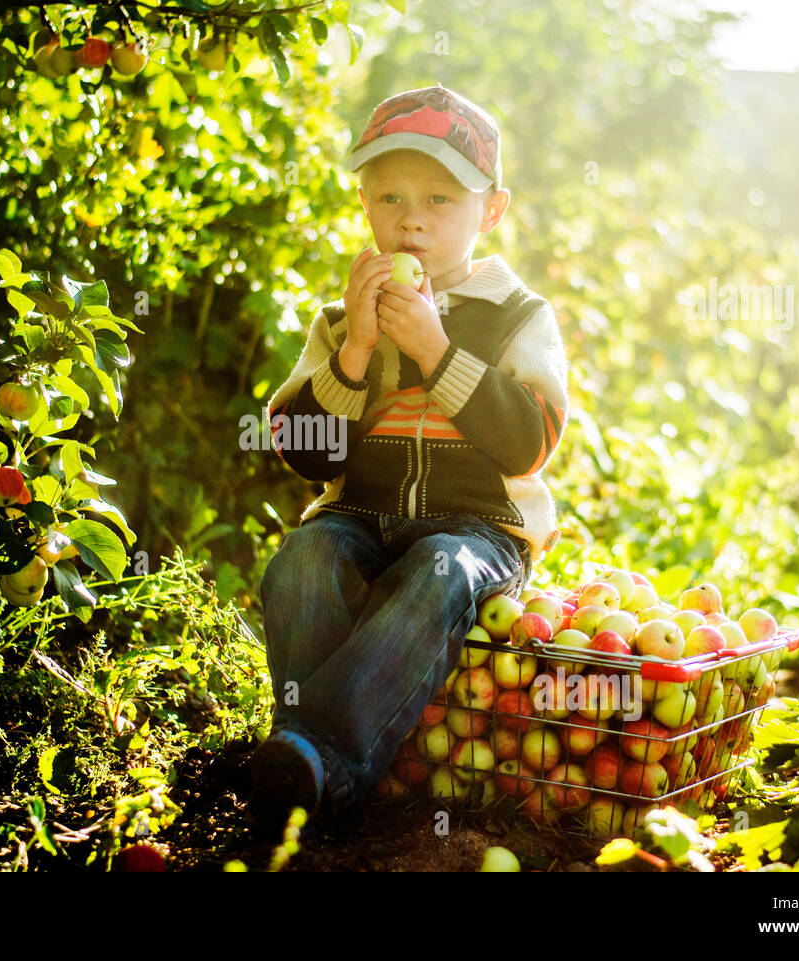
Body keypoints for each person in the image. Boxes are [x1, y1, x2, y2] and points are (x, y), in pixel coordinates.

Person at [248, 84, 570, 836]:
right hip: (359, 515)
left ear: (490, 211)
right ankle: (304, 754)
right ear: (363, 202)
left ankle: (318, 762)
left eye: (440, 198)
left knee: (439, 570)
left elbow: (529, 438)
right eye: (388, 195)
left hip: (477, 530)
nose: (412, 218)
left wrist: (435, 351)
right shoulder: (341, 318)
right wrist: (356, 351)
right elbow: (302, 452)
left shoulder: (519, 315)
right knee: (303, 557)